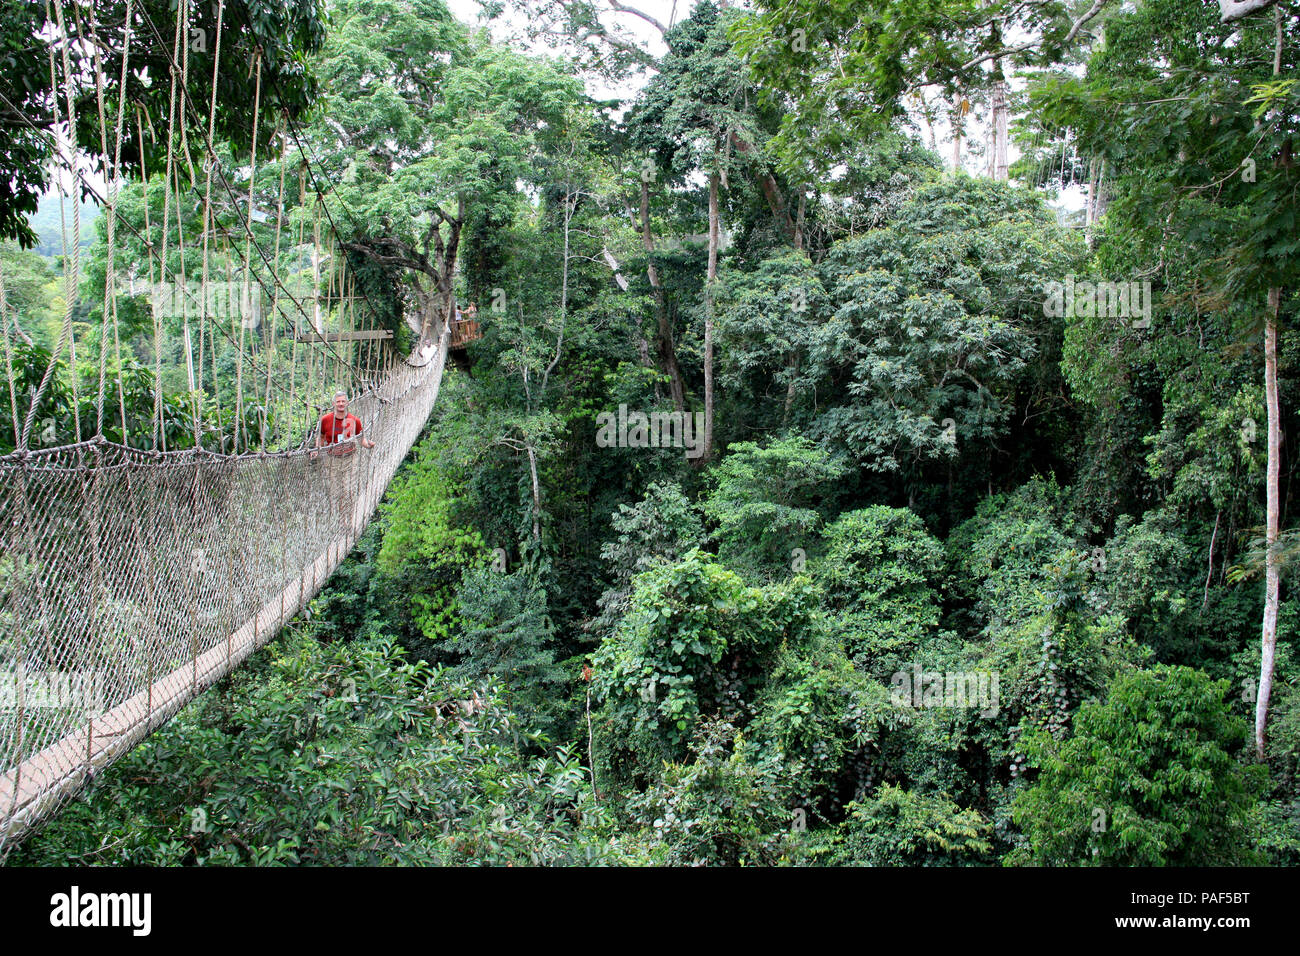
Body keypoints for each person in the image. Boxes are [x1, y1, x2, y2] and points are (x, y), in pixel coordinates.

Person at [311, 390, 375, 531]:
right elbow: (321, 439)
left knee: (349, 491)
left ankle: (348, 520)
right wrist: (316, 450)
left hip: (350, 459)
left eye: (343, 401)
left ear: (347, 403)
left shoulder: (355, 420)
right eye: (338, 402)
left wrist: (368, 444)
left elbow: (361, 439)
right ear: (334, 404)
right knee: (337, 493)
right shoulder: (325, 420)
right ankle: (341, 520)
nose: (340, 404)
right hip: (332, 461)